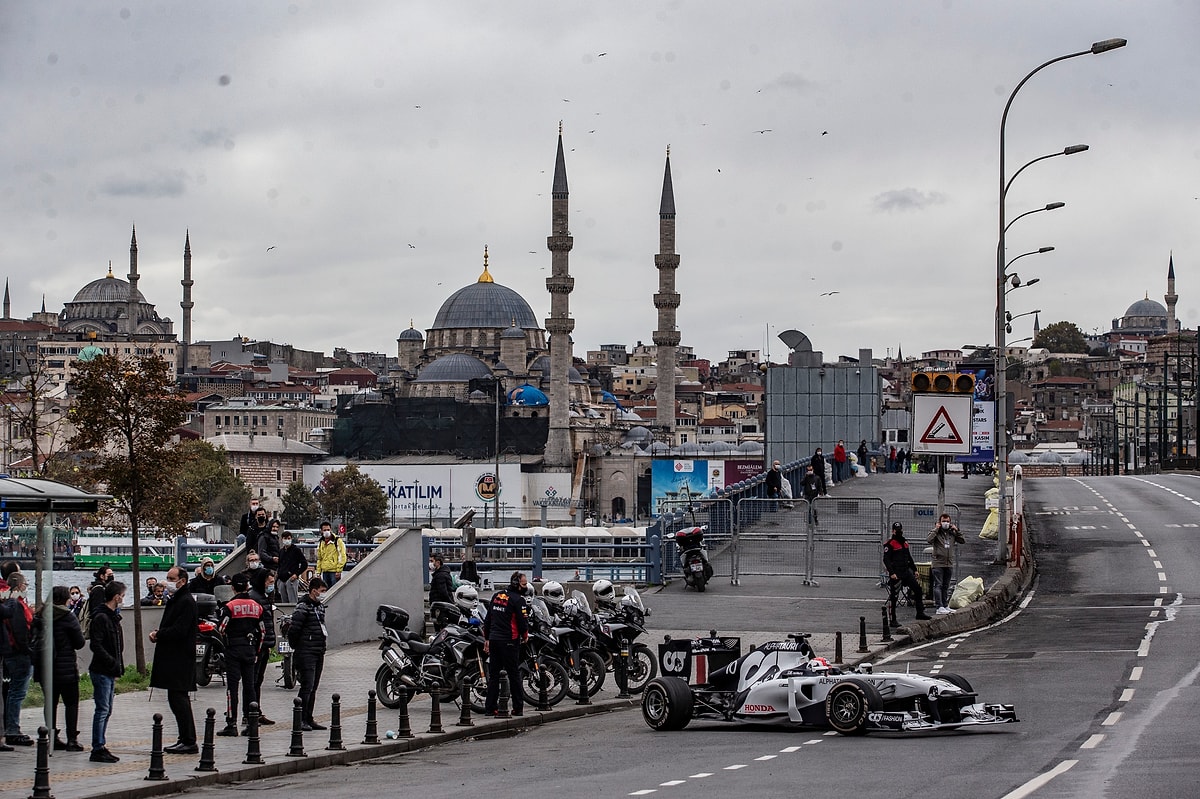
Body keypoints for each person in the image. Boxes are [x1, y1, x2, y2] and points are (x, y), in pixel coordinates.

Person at [149, 566, 199, 753]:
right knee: (176, 698)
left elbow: (180, 630)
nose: (167, 582)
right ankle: (184, 737)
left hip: (180, 658)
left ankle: (188, 740)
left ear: (182, 581)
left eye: (171, 578)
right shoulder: (176, 599)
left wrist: (159, 634)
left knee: (179, 699)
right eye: (167, 578)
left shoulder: (185, 601)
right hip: (174, 657)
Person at [33, 586, 86, 752]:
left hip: (44, 668)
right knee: (71, 703)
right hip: (66, 668)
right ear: (65, 599)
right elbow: (79, 642)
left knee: (50, 703)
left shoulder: (40, 615)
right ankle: (72, 739)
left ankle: (52, 737)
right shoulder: (67, 617)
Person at [216, 573, 266, 735]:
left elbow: (221, 629)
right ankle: (251, 722)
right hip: (250, 649)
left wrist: (224, 646)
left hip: (233, 650)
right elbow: (263, 632)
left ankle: (232, 724)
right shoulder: (257, 606)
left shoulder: (230, 606)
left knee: (232, 688)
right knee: (250, 686)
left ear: (232, 588)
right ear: (247, 587)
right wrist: (257, 651)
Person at [88, 580, 126, 763]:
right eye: (123, 596)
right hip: (102, 670)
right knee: (102, 709)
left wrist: (118, 666)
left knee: (107, 709)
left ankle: (101, 744)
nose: (123, 599)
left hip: (110, 669)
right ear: (116, 597)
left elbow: (118, 645)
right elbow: (96, 645)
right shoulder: (102, 617)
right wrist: (112, 662)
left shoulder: (112, 617)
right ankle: (97, 746)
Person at [483, 571, 529, 717]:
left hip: (494, 640)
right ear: (516, 584)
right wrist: (525, 636)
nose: (526, 586)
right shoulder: (518, 600)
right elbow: (522, 623)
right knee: (514, 674)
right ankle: (518, 707)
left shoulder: (496, 596)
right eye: (523, 584)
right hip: (509, 640)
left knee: (494, 675)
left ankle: (490, 708)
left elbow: (488, 620)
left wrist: (487, 639)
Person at [289, 576, 328, 731]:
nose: (324, 594)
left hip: (318, 650)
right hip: (306, 651)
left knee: (314, 687)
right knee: (307, 685)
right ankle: (300, 719)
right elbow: (295, 629)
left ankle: (308, 718)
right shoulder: (303, 607)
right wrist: (297, 646)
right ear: (314, 591)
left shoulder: (320, 606)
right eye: (322, 591)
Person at [2, 572, 34, 747]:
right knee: (17, 692)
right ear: (19, 586)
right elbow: (19, 630)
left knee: (14, 691)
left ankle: (11, 727)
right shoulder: (15, 603)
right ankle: (12, 729)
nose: (26, 588)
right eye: (25, 585)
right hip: (18, 654)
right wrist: (27, 650)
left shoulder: (11, 602)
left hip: (16, 652)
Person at [884, 523, 929, 623]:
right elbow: (886, 559)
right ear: (893, 531)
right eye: (896, 530)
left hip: (906, 571)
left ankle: (920, 612)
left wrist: (915, 570)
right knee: (894, 596)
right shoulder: (890, 544)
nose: (898, 532)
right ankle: (893, 620)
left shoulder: (904, 542)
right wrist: (891, 573)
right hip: (896, 572)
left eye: (900, 529)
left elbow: (909, 557)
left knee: (918, 590)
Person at [247, 569, 278, 711]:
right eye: (270, 582)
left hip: (264, 645)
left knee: (258, 679)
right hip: (256, 646)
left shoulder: (264, 597)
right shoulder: (255, 597)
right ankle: (251, 712)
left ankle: (256, 710)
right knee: (253, 680)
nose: (272, 585)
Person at [927, 514, 966, 614]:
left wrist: (957, 531)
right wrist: (936, 529)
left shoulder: (951, 533)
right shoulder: (936, 533)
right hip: (938, 563)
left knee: (946, 585)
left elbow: (962, 540)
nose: (946, 523)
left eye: (948, 521)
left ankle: (945, 605)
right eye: (944, 521)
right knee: (938, 585)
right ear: (940, 522)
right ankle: (939, 606)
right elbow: (929, 540)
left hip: (948, 563)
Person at [277, 530, 308, 604]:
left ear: (291, 539)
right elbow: (279, 564)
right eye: (285, 538)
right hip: (282, 579)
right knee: (284, 601)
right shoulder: (281, 551)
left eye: (288, 538)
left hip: (291, 578)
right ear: (282, 539)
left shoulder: (296, 550)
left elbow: (304, 564)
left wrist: (296, 574)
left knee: (292, 600)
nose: (287, 540)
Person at [315, 522, 347, 587]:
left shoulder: (338, 541)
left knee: (335, 590)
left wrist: (339, 570)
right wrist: (318, 572)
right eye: (324, 530)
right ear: (321, 531)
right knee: (326, 590)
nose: (327, 531)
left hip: (334, 571)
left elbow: (342, 556)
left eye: (328, 530)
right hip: (325, 571)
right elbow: (319, 558)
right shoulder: (321, 543)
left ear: (331, 530)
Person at [428, 552, 454, 630]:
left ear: (438, 562)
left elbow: (443, 592)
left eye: (432, 561)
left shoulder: (440, 575)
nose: (430, 563)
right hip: (441, 606)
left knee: (439, 628)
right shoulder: (443, 573)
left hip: (440, 607)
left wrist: (451, 603)